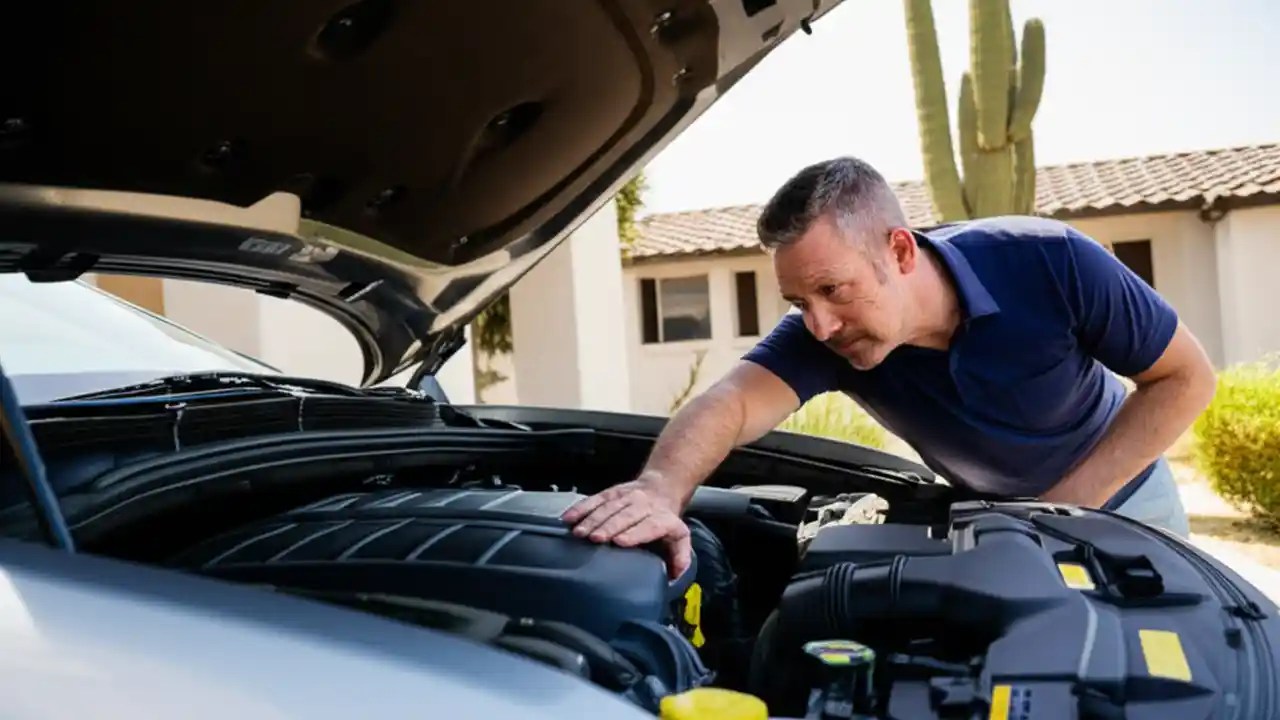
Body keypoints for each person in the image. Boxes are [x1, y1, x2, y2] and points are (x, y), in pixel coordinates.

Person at [562, 156, 1217, 578]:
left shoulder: (1049, 260)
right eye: (797, 302)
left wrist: (1054, 513)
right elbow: (729, 402)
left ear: (900, 251)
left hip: (1130, 500)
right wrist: (659, 489)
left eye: (833, 290)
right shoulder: (827, 338)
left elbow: (1187, 378)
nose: (818, 323)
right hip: (998, 526)